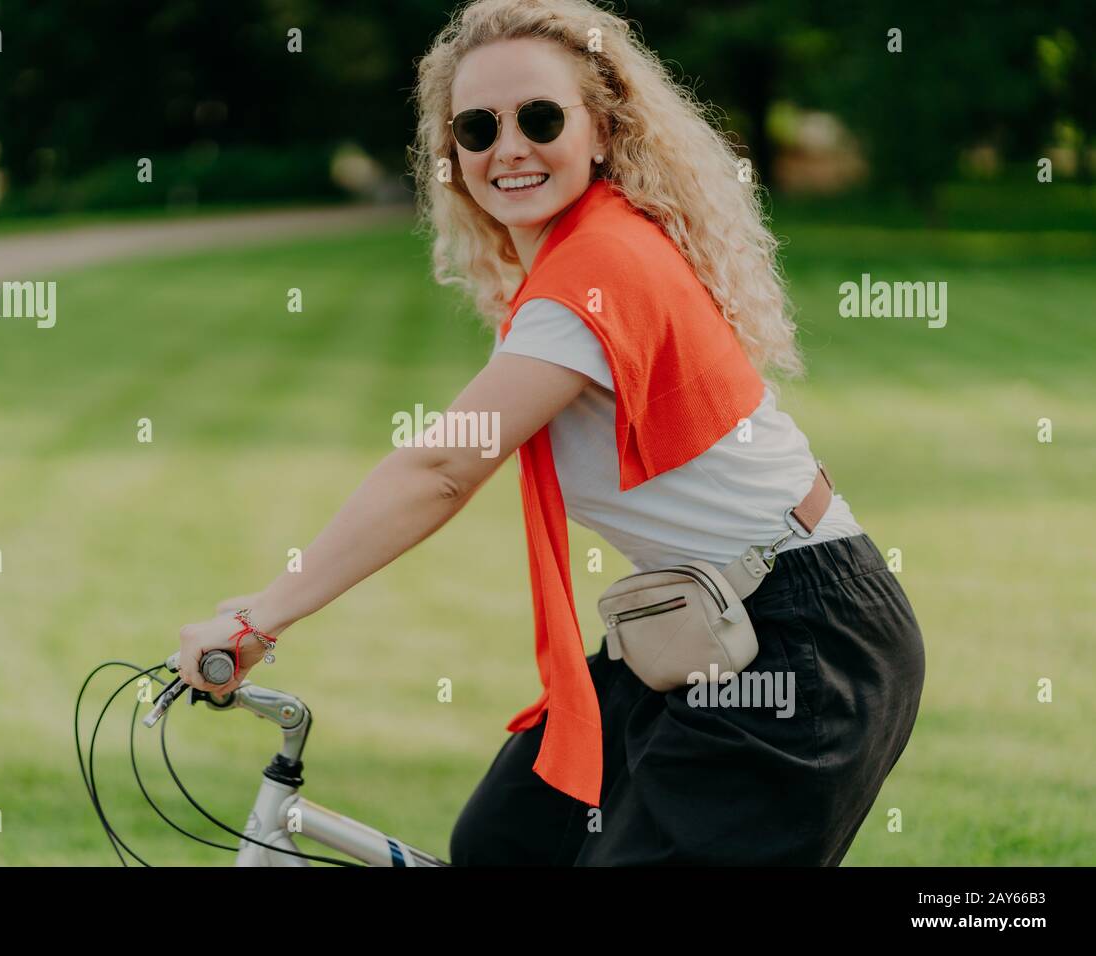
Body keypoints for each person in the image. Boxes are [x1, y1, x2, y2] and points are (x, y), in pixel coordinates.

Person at [175, 0, 925, 866]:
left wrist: (264, 619)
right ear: (451, 153)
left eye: (539, 118)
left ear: (602, 131)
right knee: (505, 842)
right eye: (477, 127)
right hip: (702, 617)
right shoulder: (577, 259)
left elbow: (444, 467)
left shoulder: (597, 268)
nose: (509, 147)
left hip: (801, 642)